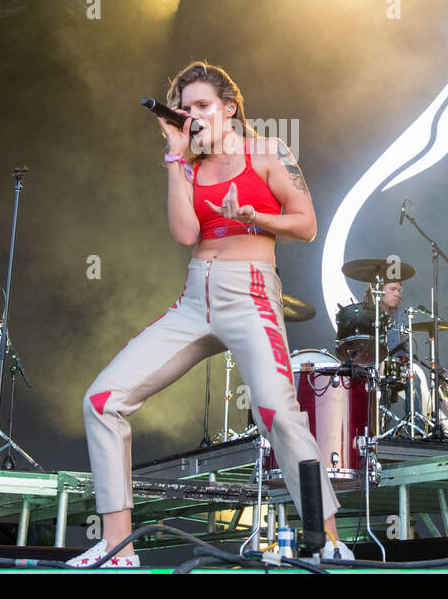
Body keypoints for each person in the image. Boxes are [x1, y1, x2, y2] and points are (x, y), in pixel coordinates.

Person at [71, 61, 353, 567]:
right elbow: (184, 234)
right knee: (102, 401)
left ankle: (327, 538)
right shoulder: (188, 164)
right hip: (196, 298)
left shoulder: (267, 150)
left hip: (250, 292)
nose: (193, 115)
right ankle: (119, 548)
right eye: (185, 109)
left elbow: (306, 223)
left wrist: (254, 216)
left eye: (203, 106)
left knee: (275, 411)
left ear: (229, 108)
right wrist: (175, 158)